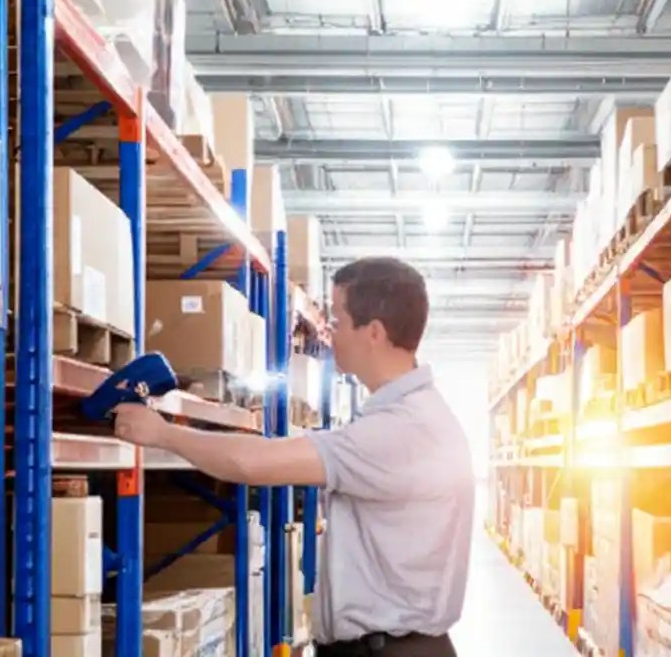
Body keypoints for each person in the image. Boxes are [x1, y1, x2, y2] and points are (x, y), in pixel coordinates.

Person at [113, 256, 475, 657]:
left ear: (374, 332)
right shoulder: (410, 416)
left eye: (337, 320)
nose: (330, 333)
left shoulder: (402, 430)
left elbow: (252, 464)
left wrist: (162, 433)